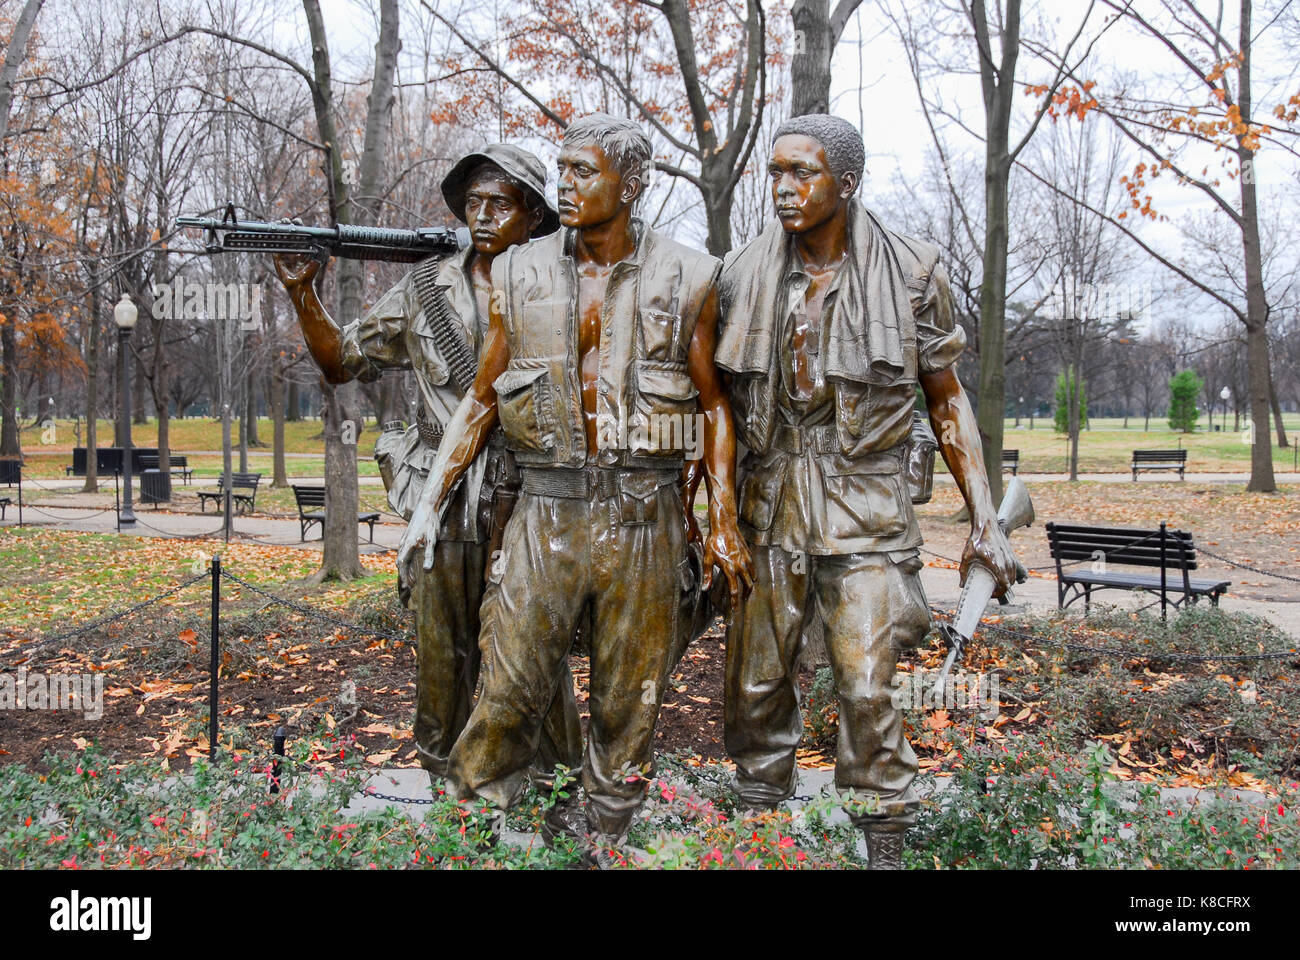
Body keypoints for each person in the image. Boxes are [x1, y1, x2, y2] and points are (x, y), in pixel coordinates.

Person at [398, 113, 754, 857]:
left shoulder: (691, 274)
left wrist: (721, 517)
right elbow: (484, 396)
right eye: (559, 170)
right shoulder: (517, 271)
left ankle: (605, 844)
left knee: (630, 706)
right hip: (546, 508)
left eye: (581, 172)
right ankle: (461, 837)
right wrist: (430, 504)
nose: (563, 184)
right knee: (507, 687)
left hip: (643, 513)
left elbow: (716, 405)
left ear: (631, 183)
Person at [713, 114, 1019, 868]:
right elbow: (712, 401)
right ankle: (759, 843)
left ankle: (884, 847)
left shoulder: (913, 271)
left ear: (846, 184)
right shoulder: (739, 274)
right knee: (755, 688)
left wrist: (986, 515)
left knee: (868, 690)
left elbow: (946, 398)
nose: (784, 189)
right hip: (770, 500)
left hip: (868, 505)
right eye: (776, 173)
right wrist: (713, 509)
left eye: (802, 174)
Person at [274, 144, 582, 792]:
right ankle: (446, 801)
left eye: (501, 201)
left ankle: (561, 799)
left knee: (537, 659)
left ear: (533, 214)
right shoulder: (424, 290)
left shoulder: (567, 289)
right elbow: (338, 360)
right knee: (441, 664)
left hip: (529, 502)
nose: (484, 214)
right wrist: (304, 295)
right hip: (443, 508)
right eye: (474, 201)